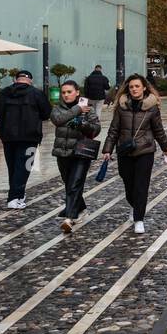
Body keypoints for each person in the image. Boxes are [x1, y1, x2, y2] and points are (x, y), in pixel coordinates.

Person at [101, 74, 167, 234]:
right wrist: (107, 149)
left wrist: (166, 147)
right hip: (124, 151)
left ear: (144, 88)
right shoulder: (121, 106)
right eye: (131, 87)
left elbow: (158, 130)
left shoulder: (152, 107)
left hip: (145, 150)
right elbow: (114, 130)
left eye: (137, 86)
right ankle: (135, 206)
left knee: (141, 185)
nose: (134, 89)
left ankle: (139, 219)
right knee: (128, 184)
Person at [0, 69, 52, 209]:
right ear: (30, 80)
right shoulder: (36, 93)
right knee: (25, 167)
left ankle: (18, 195)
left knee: (13, 167)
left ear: (16, 79)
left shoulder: (4, 93)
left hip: (8, 136)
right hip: (30, 136)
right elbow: (46, 113)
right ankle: (14, 197)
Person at [50, 79, 101, 233]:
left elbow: (96, 129)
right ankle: (81, 209)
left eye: (69, 92)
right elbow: (58, 120)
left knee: (75, 184)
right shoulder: (58, 109)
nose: (66, 95)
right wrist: (78, 109)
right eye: (64, 92)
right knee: (69, 184)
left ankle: (70, 217)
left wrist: (82, 124)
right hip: (62, 153)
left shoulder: (89, 109)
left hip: (81, 153)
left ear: (77, 92)